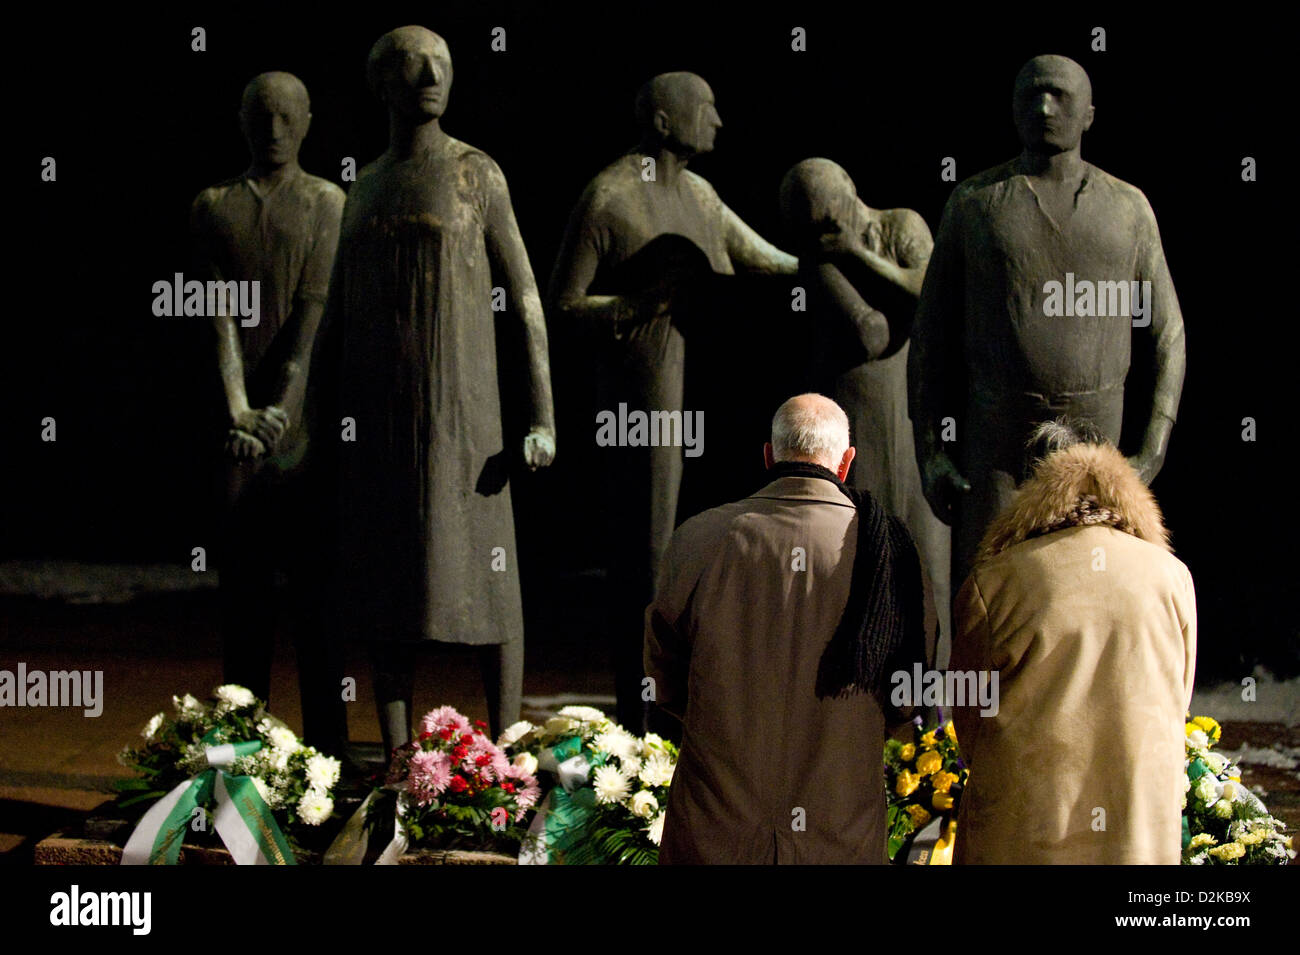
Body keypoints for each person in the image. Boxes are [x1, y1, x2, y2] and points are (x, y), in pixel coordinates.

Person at [309, 26, 556, 753]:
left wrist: (543, 416)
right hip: (382, 419)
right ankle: (395, 756)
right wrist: (316, 423)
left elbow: (528, 296)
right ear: (380, 84)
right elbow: (333, 314)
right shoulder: (367, 185)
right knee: (391, 582)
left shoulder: (477, 173)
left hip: (468, 416)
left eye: (441, 64)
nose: (428, 76)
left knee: (488, 580)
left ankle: (506, 745)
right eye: (411, 66)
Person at [550, 71, 797, 734]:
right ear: (663, 121)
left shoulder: (700, 194)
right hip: (642, 406)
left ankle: (688, 710)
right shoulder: (611, 196)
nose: (717, 120)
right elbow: (563, 304)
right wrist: (633, 305)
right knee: (649, 556)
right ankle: (644, 720)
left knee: (698, 555)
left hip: (702, 400)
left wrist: (830, 254)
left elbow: (764, 258)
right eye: (705, 108)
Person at [908, 54, 1187, 590]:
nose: (1043, 106)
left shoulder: (1127, 208)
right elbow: (930, 338)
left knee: (1093, 599)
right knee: (987, 597)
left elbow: (1168, 334)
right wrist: (932, 452)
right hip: (997, 443)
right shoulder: (975, 203)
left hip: (1098, 443)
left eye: (1059, 95)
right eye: (1030, 94)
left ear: (1089, 113)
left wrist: (1155, 443)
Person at [645, 393, 933, 863]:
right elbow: (909, 695)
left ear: (767, 455)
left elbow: (663, 684)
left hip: (717, 830)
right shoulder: (889, 550)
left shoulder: (698, 538)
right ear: (846, 464)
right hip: (839, 831)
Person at [950, 419, 1197, 864]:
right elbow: (1178, 696)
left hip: (1024, 827)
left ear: (1031, 486)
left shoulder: (995, 582)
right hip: (1137, 824)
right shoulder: (1170, 577)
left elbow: (968, 718)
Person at [191, 71, 347, 753]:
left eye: (288, 116)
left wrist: (277, 412)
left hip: (306, 431)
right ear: (242, 119)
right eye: (263, 115)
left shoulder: (326, 201)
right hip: (238, 435)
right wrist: (237, 410)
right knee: (243, 602)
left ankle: (328, 760)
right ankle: (244, 754)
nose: (275, 128)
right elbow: (214, 311)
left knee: (318, 605)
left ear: (308, 121)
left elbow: (311, 318)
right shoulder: (214, 205)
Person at [780, 157, 952, 664]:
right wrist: (835, 261)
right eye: (814, 229)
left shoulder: (902, 226)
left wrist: (857, 254)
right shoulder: (818, 259)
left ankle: (933, 705)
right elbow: (871, 333)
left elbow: (933, 293)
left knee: (929, 559)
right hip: (855, 411)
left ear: (851, 192)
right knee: (865, 555)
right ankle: (871, 701)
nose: (827, 233)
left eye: (832, 220)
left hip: (914, 410)